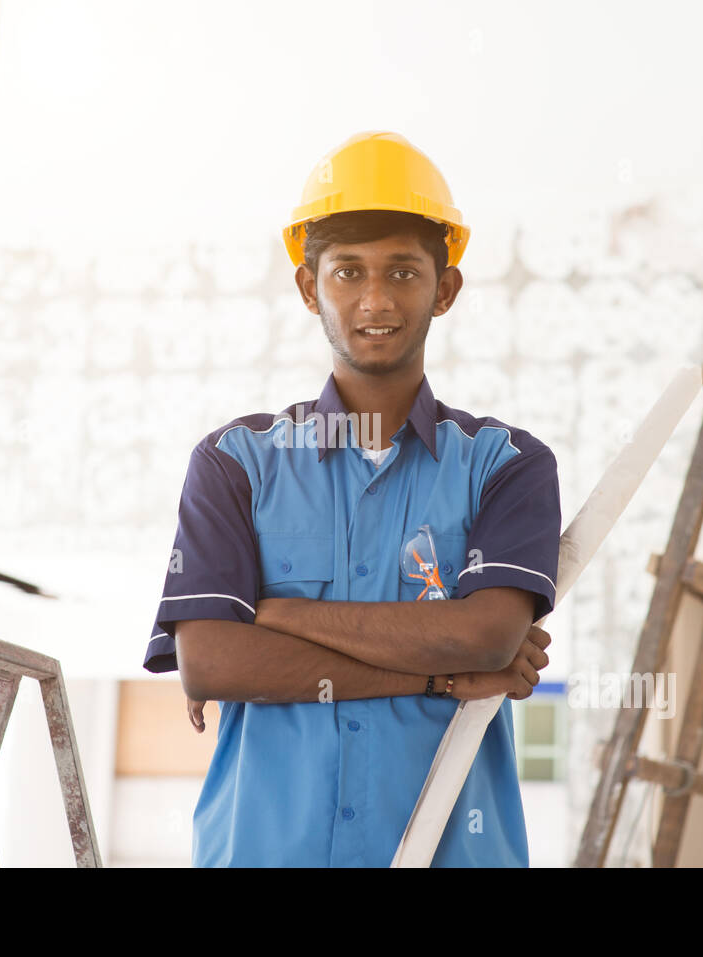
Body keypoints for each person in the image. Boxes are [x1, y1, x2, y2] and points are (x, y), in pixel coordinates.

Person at [142, 131, 561, 867]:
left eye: (403, 270)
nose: (375, 299)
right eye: (348, 273)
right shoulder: (234, 462)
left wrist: (277, 614)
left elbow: (487, 640)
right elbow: (208, 659)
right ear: (310, 288)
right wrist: (437, 670)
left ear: (446, 288)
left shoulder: (507, 464)